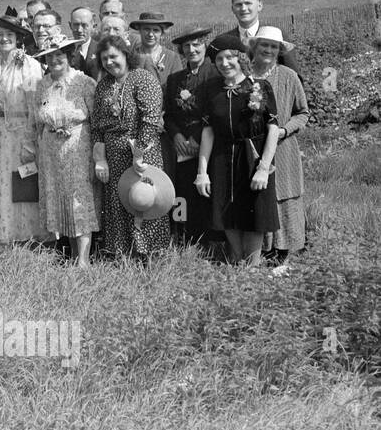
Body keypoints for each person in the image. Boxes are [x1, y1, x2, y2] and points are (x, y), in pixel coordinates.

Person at [196, 43, 280, 265]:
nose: (224, 63)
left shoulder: (260, 87)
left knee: (255, 211)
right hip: (223, 156)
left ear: (241, 58)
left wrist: (264, 168)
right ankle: (236, 259)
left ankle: (252, 265)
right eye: (219, 59)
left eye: (229, 57)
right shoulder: (212, 91)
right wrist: (202, 172)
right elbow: (208, 131)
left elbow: (272, 129)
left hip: (253, 156)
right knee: (226, 207)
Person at [90, 35, 171, 259]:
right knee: (117, 202)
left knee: (143, 198)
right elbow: (97, 125)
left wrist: (140, 153)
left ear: (126, 54)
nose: (109, 62)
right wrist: (100, 158)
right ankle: (121, 255)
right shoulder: (104, 85)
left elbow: (150, 118)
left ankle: (150, 254)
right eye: (104, 58)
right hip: (113, 155)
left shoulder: (142, 78)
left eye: (113, 56)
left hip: (141, 152)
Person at [33, 35, 99, 265]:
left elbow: (97, 120)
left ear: (69, 56)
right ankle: (73, 256)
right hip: (51, 152)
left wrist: (96, 156)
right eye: (49, 56)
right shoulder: (43, 85)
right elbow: (38, 120)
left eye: (59, 55)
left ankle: (84, 261)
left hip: (78, 149)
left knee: (79, 200)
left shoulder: (84, 83)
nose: (54, 60)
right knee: (62, 203)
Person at [248, 26, 308, 272]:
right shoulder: (245, 75)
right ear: (255, 46)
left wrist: (284, 130)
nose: (269, 50)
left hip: (283, 147)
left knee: (284, 195)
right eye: (265, 45)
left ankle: (286, 255)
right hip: (251, 147)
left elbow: (303, 113)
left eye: (274, 47)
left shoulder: (288, 76)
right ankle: (260, 252)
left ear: (280, 51)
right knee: (258, 195)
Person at [0, 14, 44, 244]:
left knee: (23, 177)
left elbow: (35, 104)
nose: (4, 39)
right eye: (0, 35)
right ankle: (6, 232)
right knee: (3, 179)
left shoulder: (29, 65)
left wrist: (31, 141)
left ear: (18, 39)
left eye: (9, 35)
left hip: (21, 129)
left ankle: (28, 234)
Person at [162, 25, 219, 249]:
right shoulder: (176, 79)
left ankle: (209, 242)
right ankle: (183, 238)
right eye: (187, 46)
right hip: (182, 148)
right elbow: (168, 114)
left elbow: (215, 111)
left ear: (205, 45)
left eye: (197, 44)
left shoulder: (215, 74)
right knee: (182, 193)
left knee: (205, 193)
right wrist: (176, 136)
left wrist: (196, 138)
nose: (192, 49)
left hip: (207, 144)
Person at [213, 0, 302, 77]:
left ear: (259, 6)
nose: (243, 8)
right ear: (232, 9)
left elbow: (293, 76)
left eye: (248, 3)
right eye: (238, 4)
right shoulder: (224, 41)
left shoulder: (276, 35)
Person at [128, 12, 184, 88]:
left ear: (162, 33)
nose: (150, 34)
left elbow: (178, 86)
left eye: (156, 30)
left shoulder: (172, 57)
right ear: (140, 31)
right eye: (146, 29)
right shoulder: (131, 56)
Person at [69, 7, 98, 79]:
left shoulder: (101, 50)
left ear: (93, 27)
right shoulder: (63, 51)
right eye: (76, 24)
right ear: (70, 25)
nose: (79, 30)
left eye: (84, 25)